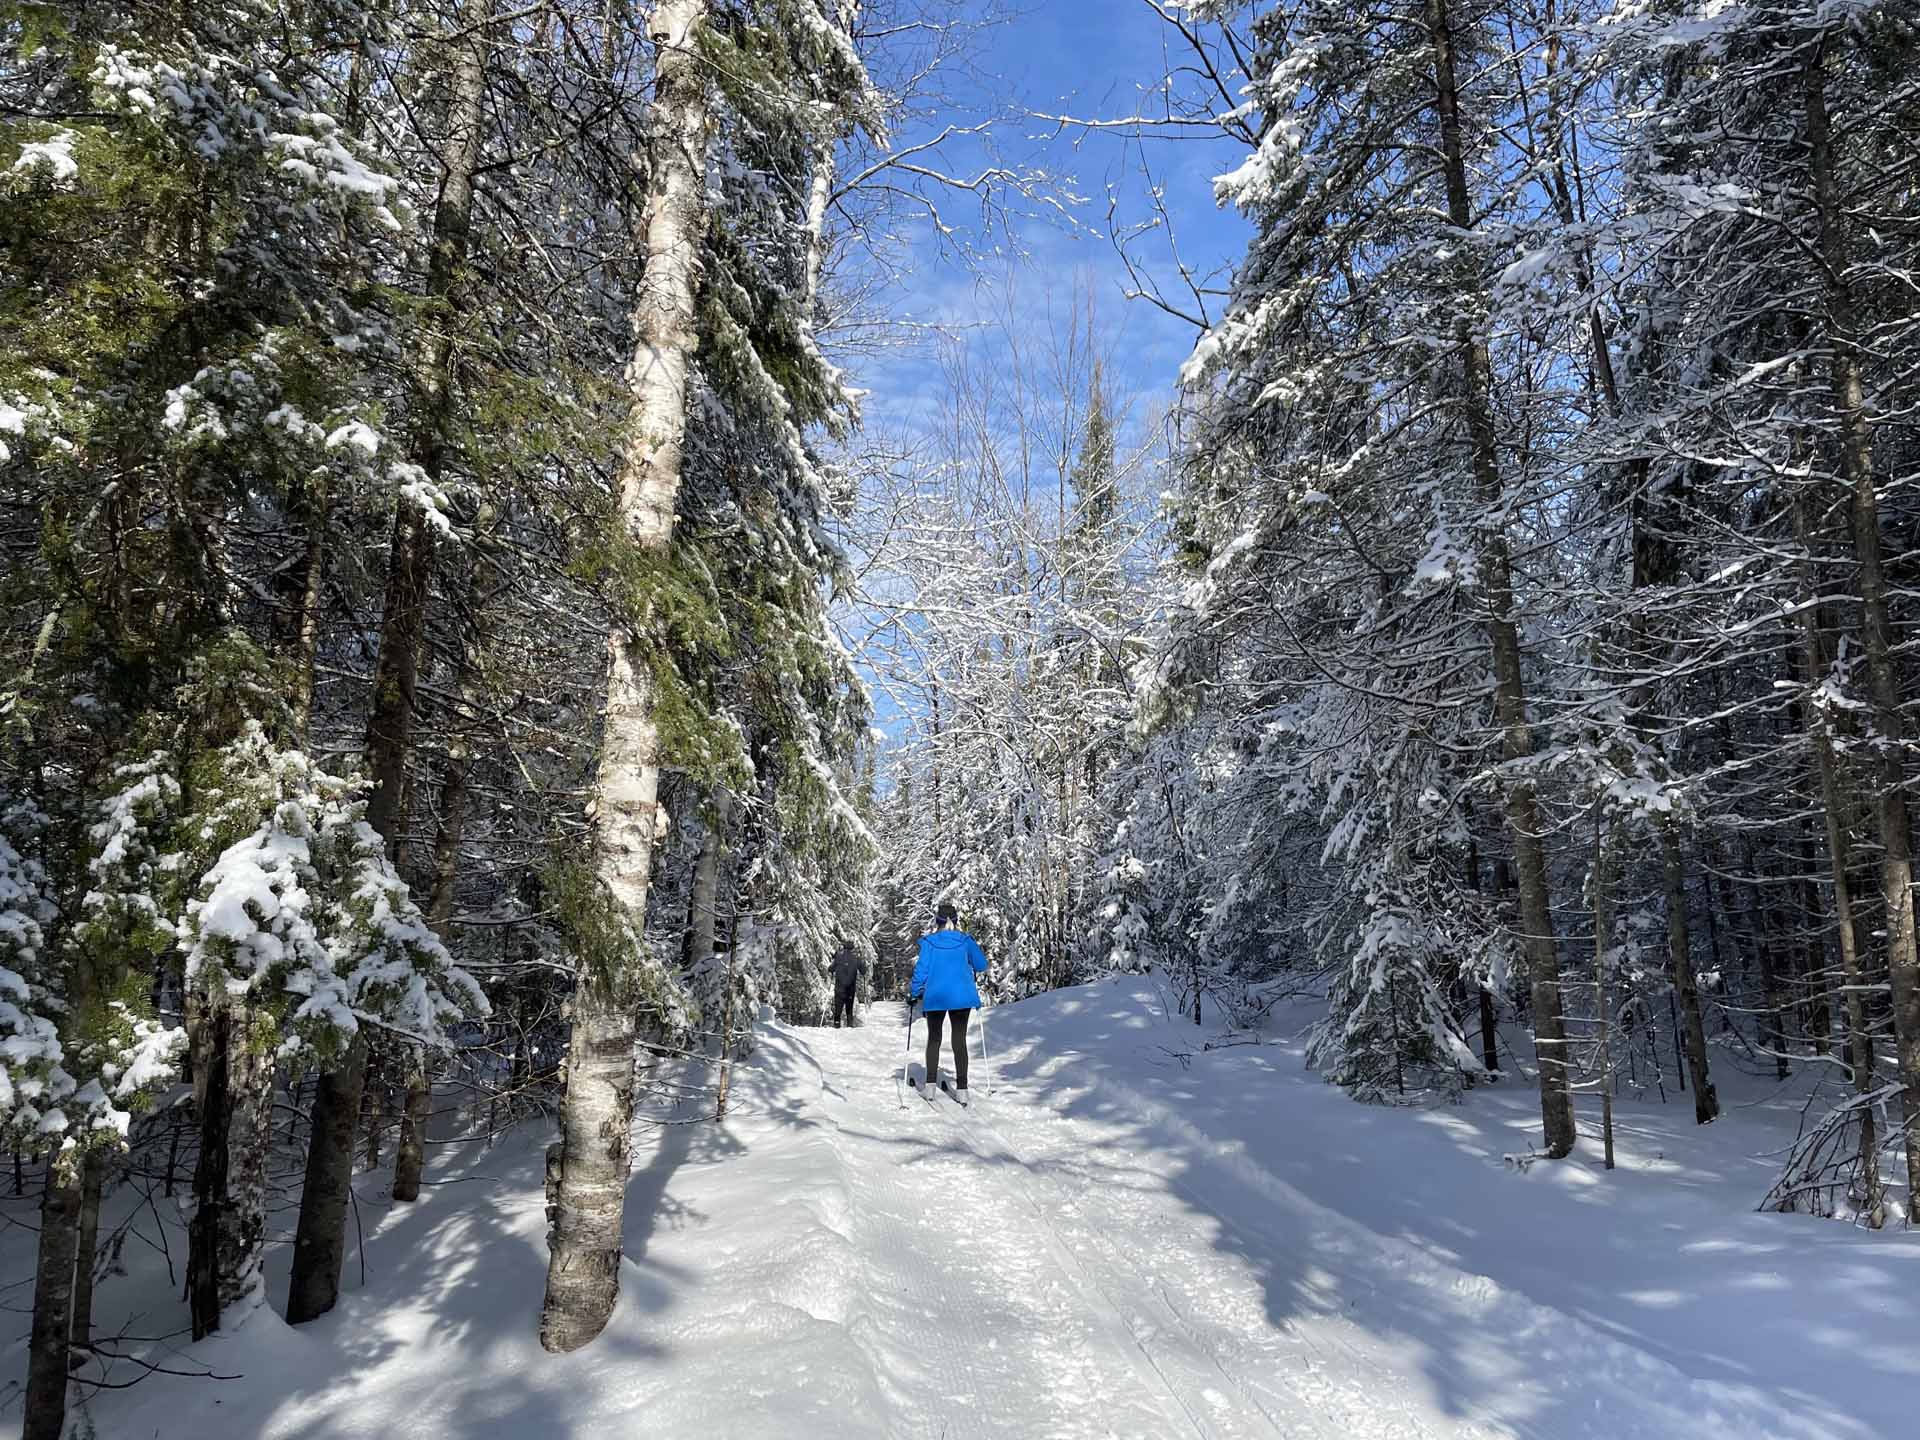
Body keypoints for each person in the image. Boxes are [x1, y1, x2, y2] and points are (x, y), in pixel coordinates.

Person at [909, 901, 988, 1103]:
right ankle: (962, 1090)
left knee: (934, 1039)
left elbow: (922, 971)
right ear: (956, 920)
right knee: (959, 1041)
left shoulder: (929, 943)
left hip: (936, 996)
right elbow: (981, 965)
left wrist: (914, 992)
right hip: (962, 997)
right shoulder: (965, 940)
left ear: (938, 921)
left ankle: (930, 1087)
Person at [829, 936, 864, 1028]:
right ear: (852, 948)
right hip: (850, 990)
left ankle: (836, 1027)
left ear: (843, 947)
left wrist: (835, 961)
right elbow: (864, 971)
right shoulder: (856, 959)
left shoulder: (838, 957)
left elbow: (830, 969)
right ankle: (849, 1027)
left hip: (839, 989)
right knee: (849, 1011)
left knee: (838, 1011)